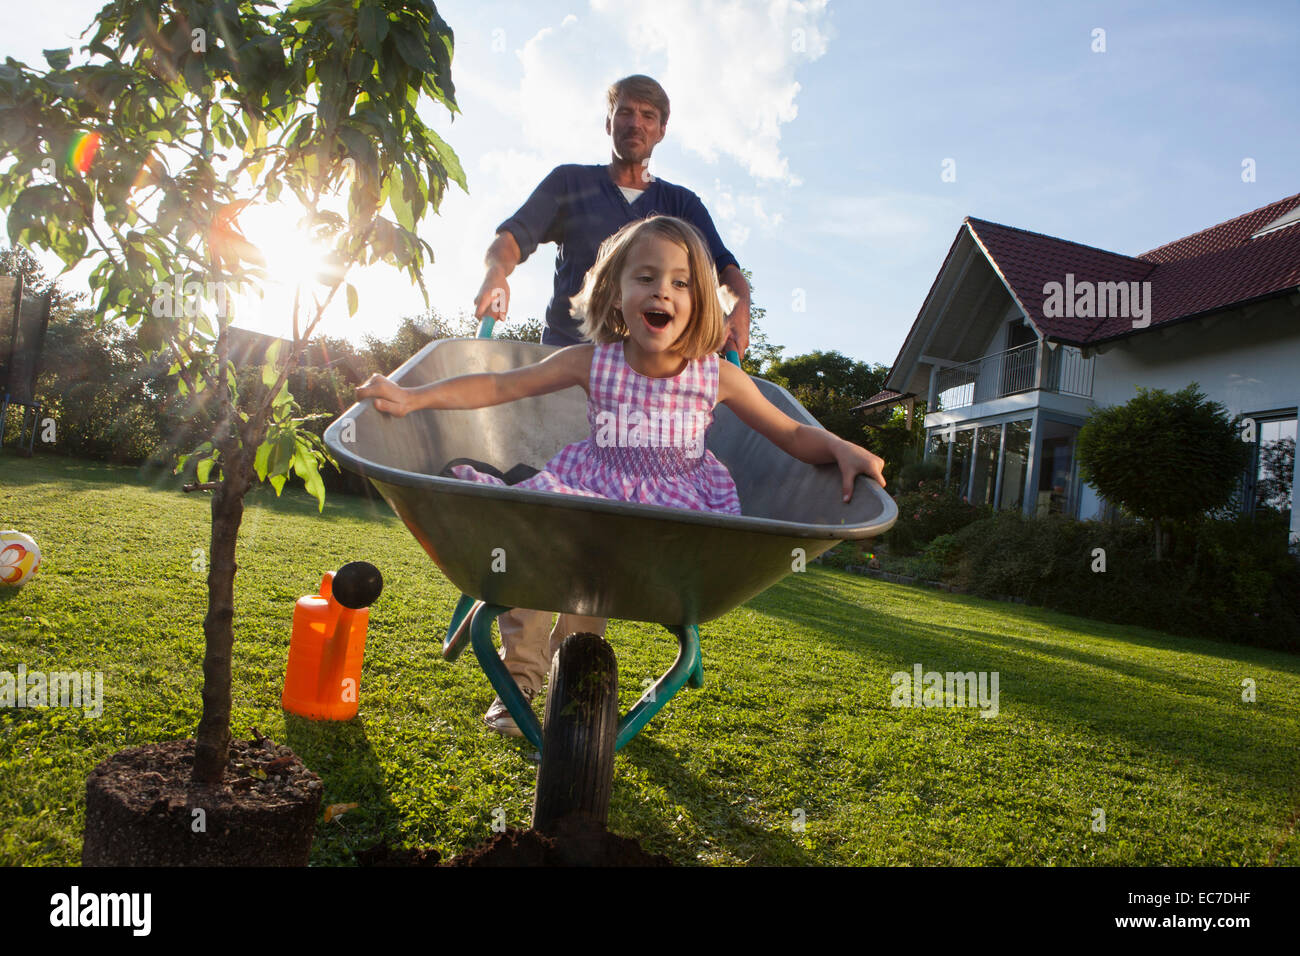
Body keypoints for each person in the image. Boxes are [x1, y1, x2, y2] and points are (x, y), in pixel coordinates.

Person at [357, 216, 887, 733]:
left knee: (595, 583)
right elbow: (501, 387)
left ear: (700, 302)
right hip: (593, 487)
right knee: (530, 548)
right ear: (615, 294)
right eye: (646, 277)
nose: (662, 292)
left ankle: (573, 677)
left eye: (680, 283)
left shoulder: (716, 376)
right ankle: (520, 676)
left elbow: (790, 434)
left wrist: (839, 448)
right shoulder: (593, 362)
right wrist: (413, 397)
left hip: (671, 510)